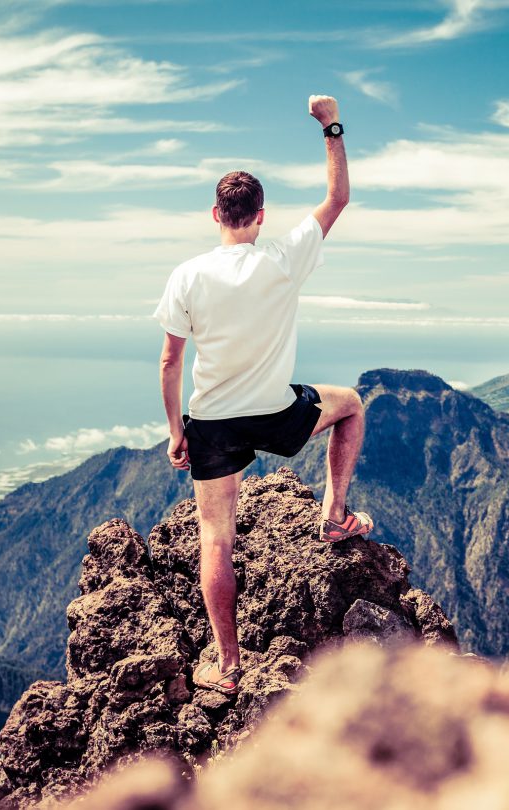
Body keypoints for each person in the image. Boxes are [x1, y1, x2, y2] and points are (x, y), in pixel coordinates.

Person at [154, 95, 374, 695]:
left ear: (215, 214)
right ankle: (333, 515)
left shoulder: (187, 275)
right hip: (277, 414)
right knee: (351, 403)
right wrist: (330, 124)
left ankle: (228, 665)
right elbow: (338, 199)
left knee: (216, 538)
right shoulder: (281, 259)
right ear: (259, 216)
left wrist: (177, 432)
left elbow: (171, 360)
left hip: (214, 424)